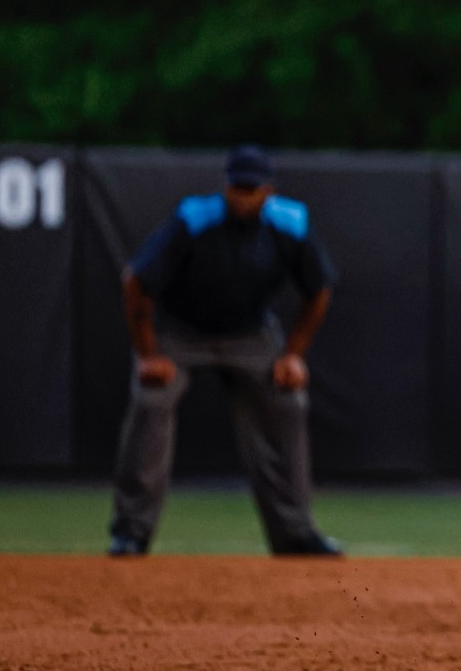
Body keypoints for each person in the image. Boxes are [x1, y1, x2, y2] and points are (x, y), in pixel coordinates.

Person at [106, 145, 342, 557]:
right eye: (237, 186)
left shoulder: (290, 223)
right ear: (226, 185)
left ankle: (295, 533)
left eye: (251, 188)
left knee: (286, 401)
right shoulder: (195, 219)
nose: (242, 195)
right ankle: (131, 531)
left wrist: (293, 354)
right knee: (151, 401)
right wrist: (147, 355)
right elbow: (135, 281)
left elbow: (320, 288)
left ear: (267, 191)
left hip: (250, 334)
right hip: (181, 331)